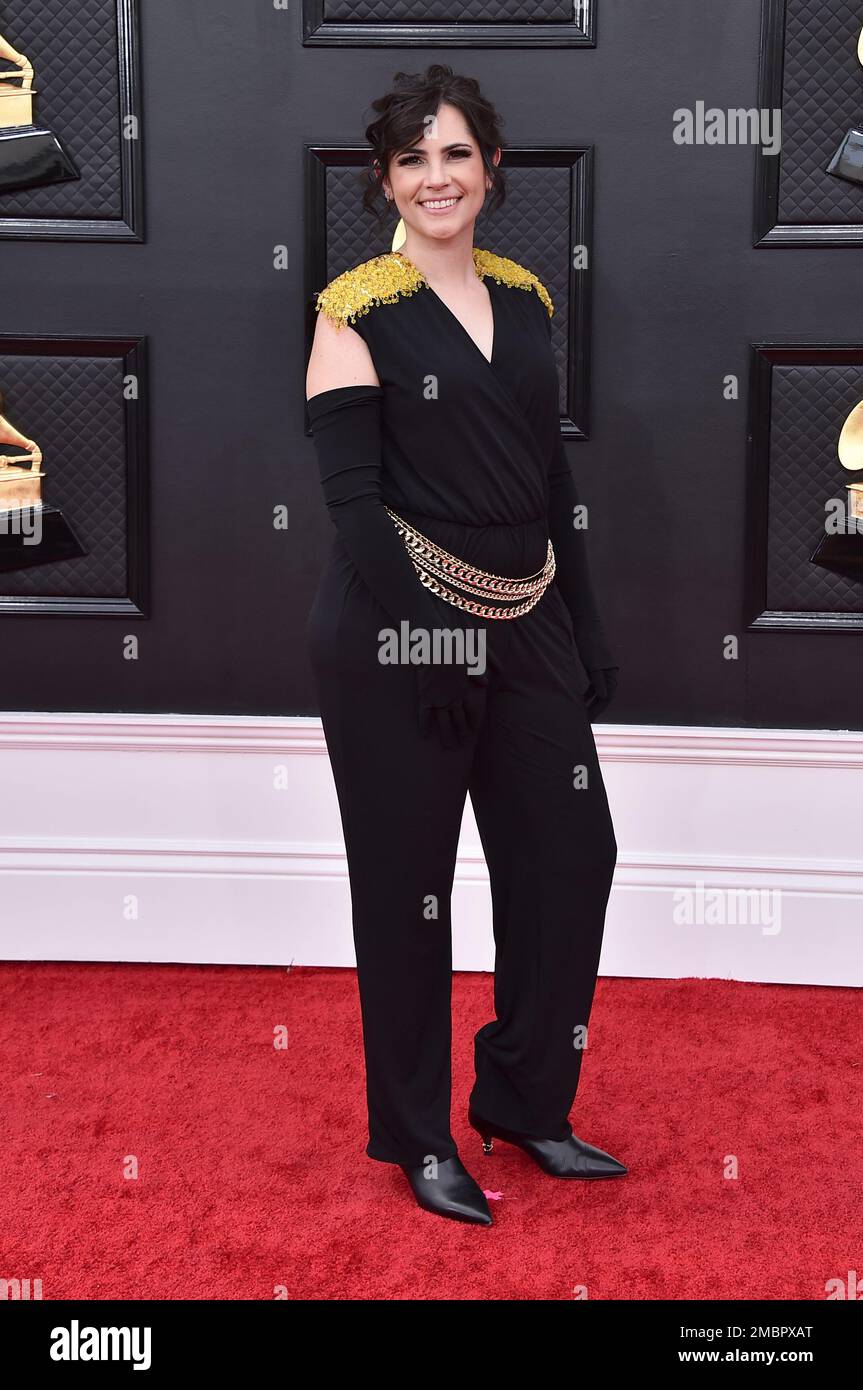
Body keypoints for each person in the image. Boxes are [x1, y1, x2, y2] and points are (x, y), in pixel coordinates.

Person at [305, 64, 625, 1226]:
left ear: (490, 167)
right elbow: (353, 509)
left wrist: (579, 622)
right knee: (408, 890)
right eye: (411, 159)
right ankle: (418, 1136)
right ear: (383, 180)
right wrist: (429, 646)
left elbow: (546, 476)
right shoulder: (353, 312)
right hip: (394, 629)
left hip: (527, 613)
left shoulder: (528, 297)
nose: (435, 178)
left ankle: (526, 1100)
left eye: (454, 154)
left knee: (569, 855)